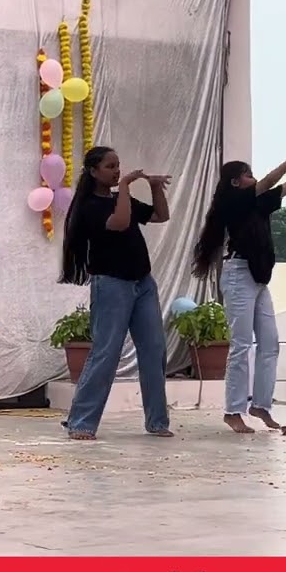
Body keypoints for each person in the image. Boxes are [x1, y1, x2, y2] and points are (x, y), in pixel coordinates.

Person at [192, 145, 286, 433]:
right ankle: (233, 410)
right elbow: (271, 180)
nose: (254, 177)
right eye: (248, 175)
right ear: (236, 182)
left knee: (270, 344)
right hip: (239, 275)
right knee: (241, 345)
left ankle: (260, 405)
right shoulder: (234, 202)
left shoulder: (258, 203)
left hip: (258, 277)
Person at [58, 146, 174, 440]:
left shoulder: (121, 198)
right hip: (111, 284)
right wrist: (123, 187)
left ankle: (157, 421)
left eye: (118, 165)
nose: (117, 170)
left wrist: (154, 187)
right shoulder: (90, 206)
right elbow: (120, 223)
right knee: (106, 352)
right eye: (110, 166)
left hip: (142, 282)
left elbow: (160, 215)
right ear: (93, 171)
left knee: (154, 349)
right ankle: (81, 422)